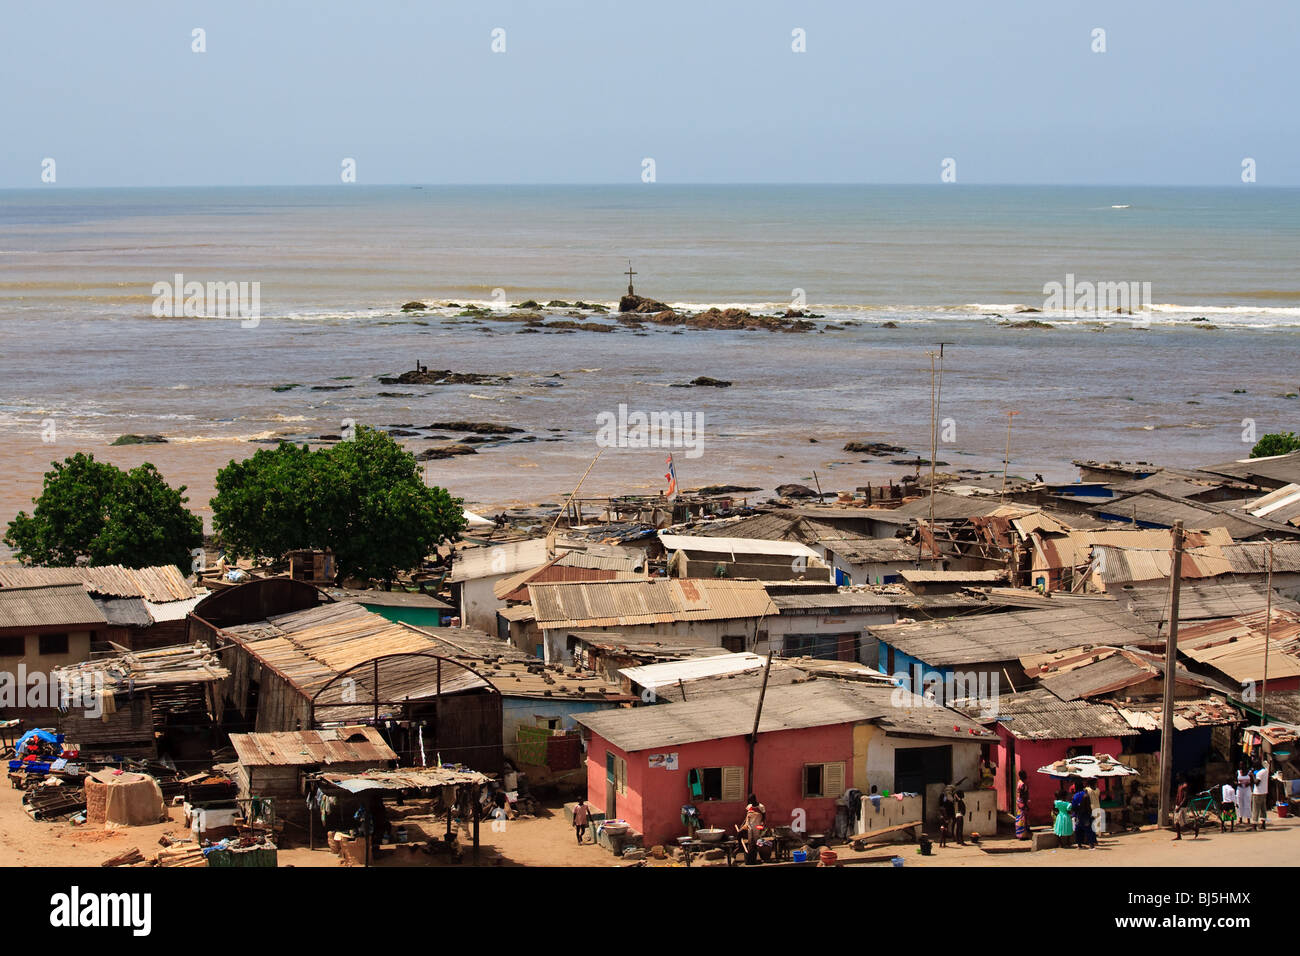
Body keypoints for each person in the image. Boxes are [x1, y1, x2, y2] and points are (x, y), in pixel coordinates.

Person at [742, 794, 766, 865]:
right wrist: (744, 824)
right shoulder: (749, 806)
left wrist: (763, 824)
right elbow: (746, 816)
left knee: (756, 841)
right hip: (749, 825)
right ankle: (750, 856)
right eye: (750, 801)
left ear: (755, 799)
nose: (751, 802)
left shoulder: (761, 807)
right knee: (750, 841)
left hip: (757, 825)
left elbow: (764, 816)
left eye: (752, 800)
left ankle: (755, 856)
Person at [1071, 780, 1095, 849]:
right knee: (1088, 829)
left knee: (1078, 830)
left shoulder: (1075, 796)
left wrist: (1074, 814)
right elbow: (1088, 806)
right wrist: (1090, 814)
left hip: (1078, 814)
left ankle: (1079, 845)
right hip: (1086, 814)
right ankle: (1091, 845)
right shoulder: (1085, 795)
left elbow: (1073, 807)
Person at [1236, 761, 1254, 831]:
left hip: (1247, 789)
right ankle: (1240, 818)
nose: (1241, 766)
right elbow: (1233, 781)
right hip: (1240, 789)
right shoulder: (1237, 772)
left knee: (1247, 803)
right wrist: (1238, 784)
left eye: (1243, 765)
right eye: (1240, 765)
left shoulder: (1249, 772)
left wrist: (1248, 784)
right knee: (1239, 803)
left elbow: (1253, 781)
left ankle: (1248, 819)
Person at [1252, 761, 1269, 830]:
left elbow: (1256, 783)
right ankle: (1263, 824)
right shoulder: (1265, 771)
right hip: (1264, 792)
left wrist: (1252, 775)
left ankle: (1254, 825)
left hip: (1257, 793)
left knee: (1255, 809)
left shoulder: (1259, 773)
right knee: (1263, 809)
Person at [1172, 776, 1189, 840]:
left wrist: (1179, 806)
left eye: (1178, 776)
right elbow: (1178, 795)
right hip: (1178, 805)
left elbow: (1185, 797)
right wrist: (1176, 803)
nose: (1177, 778)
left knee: (1183, 823)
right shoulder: (1179, 785)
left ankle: (1195, 829)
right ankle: (1178, 836)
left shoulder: (1185, 786)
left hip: (1182, 806)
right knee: (1177, 821)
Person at [1015, 770, 1031, 840]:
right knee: (1022, 818)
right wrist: (1025, 804)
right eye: (1025, 775)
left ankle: (1020, 834)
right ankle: (1022, 835)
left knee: (1020, 817)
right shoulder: (1022, 784)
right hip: (1022, 802)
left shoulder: (1019, 783)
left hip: (1019, 801)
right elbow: (1023, 795)